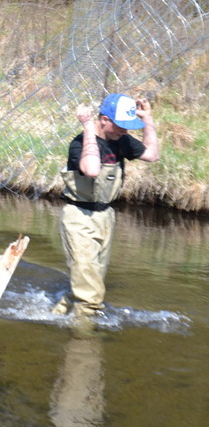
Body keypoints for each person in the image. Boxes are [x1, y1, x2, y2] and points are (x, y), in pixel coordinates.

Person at [53, 93, 160, 318]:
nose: (125, 130)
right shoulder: (80, 142)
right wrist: (87, 127)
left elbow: (152, 154)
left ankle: (54, 319)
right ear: (104, 120)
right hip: (79, 217)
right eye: (121, 125)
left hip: (105, 217)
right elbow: (91, 170)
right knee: (90, 294)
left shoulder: (121, 140)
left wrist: (148, 119)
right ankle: (85, 341)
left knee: (90, 281)